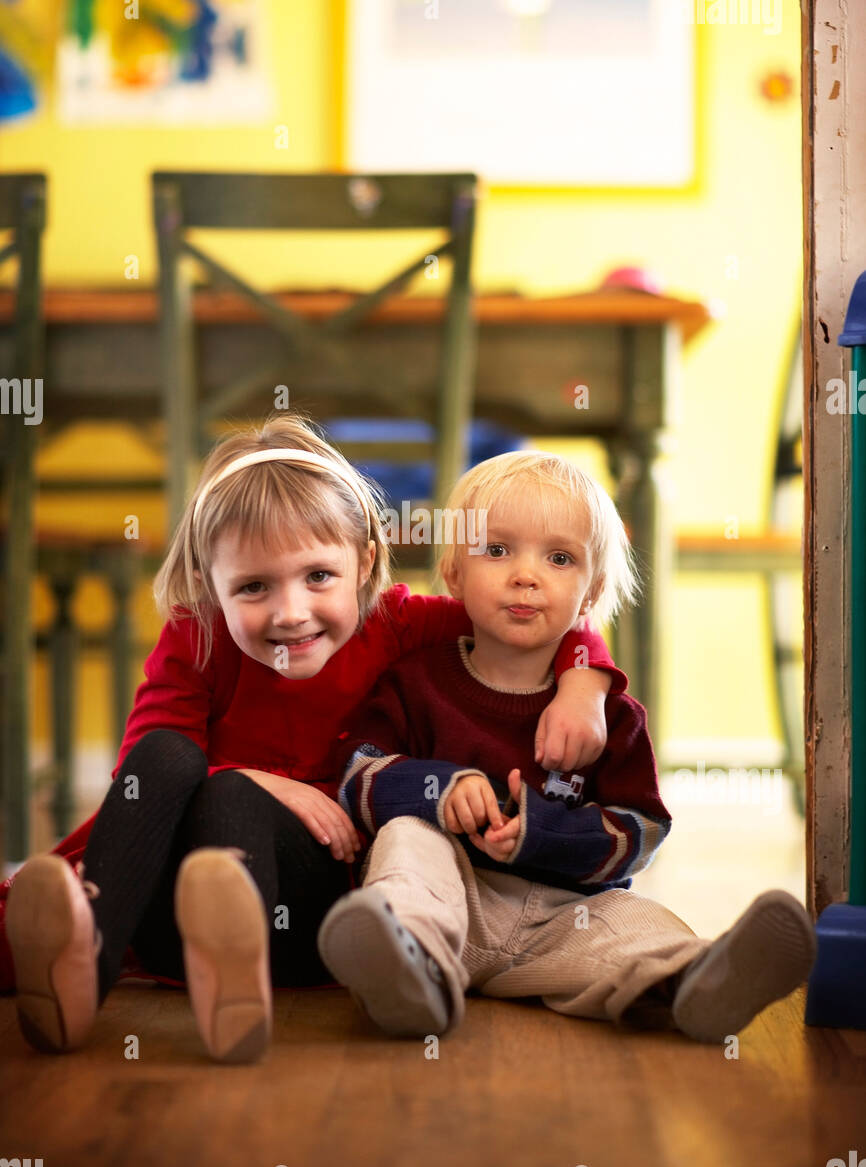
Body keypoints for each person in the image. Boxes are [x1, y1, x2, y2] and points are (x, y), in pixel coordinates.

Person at [2, 412, 625, 1064]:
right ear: (208, 587)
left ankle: (234, 981)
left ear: (363, 560)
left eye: (317, 577)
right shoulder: (198, 636)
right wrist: (250, 776)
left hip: (308, 918)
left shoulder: (395, 624)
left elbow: (520, 616)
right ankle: (85, 964)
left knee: (232, 805)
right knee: (166, 755)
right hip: (164, 922)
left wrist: (585, 682)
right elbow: (142, 771)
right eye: (252, 587)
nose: (291, 612)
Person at [318, 449, 817, 1043]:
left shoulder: (610, 716)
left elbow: (641, 832)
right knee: (405, 841)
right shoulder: (414, 681)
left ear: (591, 592)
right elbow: (356, 779)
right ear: (453, 572)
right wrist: (439, 789)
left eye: (558, 558)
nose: (525, 575)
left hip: (565, 919)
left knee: (634, 924)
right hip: (451, 903)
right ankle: (411, 971)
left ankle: (695, 984)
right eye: (496, 550)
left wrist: (543, 832)